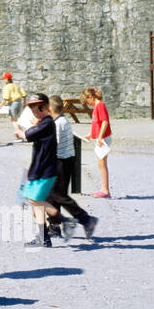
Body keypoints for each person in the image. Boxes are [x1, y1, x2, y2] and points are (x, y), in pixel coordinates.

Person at [47, 95, 97, 238]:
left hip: (61, 162)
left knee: (59, 195)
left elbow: (53, 144)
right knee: (52, 194)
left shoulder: (57, 123)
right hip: (65, 160)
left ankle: (87, 220)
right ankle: (55, 225)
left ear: (50, 108)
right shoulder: (63, 120)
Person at [18, 94, 60, 247]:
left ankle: (58, 217)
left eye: (38, 107)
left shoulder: (47, 123)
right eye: (32, 108)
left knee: (34, 200)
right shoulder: (45, 122)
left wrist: (15, 126)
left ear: (45, 107)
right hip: (40, 168)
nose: (35, 111)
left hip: (44, 169)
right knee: (34, 201)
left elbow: (26, 135)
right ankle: (44, 237)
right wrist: (36, 122)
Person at [82, 86, 112, 199]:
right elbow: (97, 124)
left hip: (103, 138)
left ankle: (105, 190)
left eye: (87, 100)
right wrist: (91, 135)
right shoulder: (97, 107)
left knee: (102, 163)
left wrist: (99, 137)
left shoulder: (100, 105)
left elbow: (105, 122)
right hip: (100, 137)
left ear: (92, 97)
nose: (87, 103)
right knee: (101, 163)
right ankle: (104, 189)